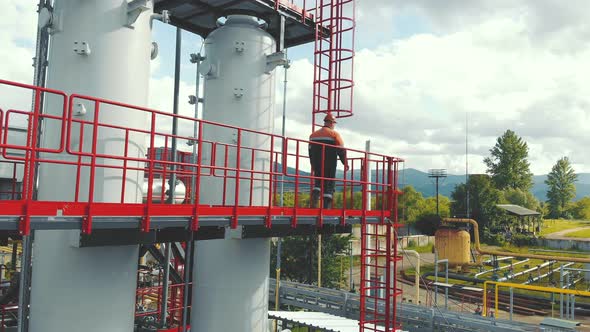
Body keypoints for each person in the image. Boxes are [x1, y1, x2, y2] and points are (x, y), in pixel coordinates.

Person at [308, 112, 348, 208]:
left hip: (316, 163)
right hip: (329, 164)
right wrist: (345, 162)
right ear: (331, 123)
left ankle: (316, 194)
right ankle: (326, 207)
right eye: (334, 123)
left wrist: (312, 163)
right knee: (329, 184)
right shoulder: (334, 134)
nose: (334, 125)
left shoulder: (313, 135)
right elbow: (341, 150)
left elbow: (310, 150)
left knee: (318, 181)